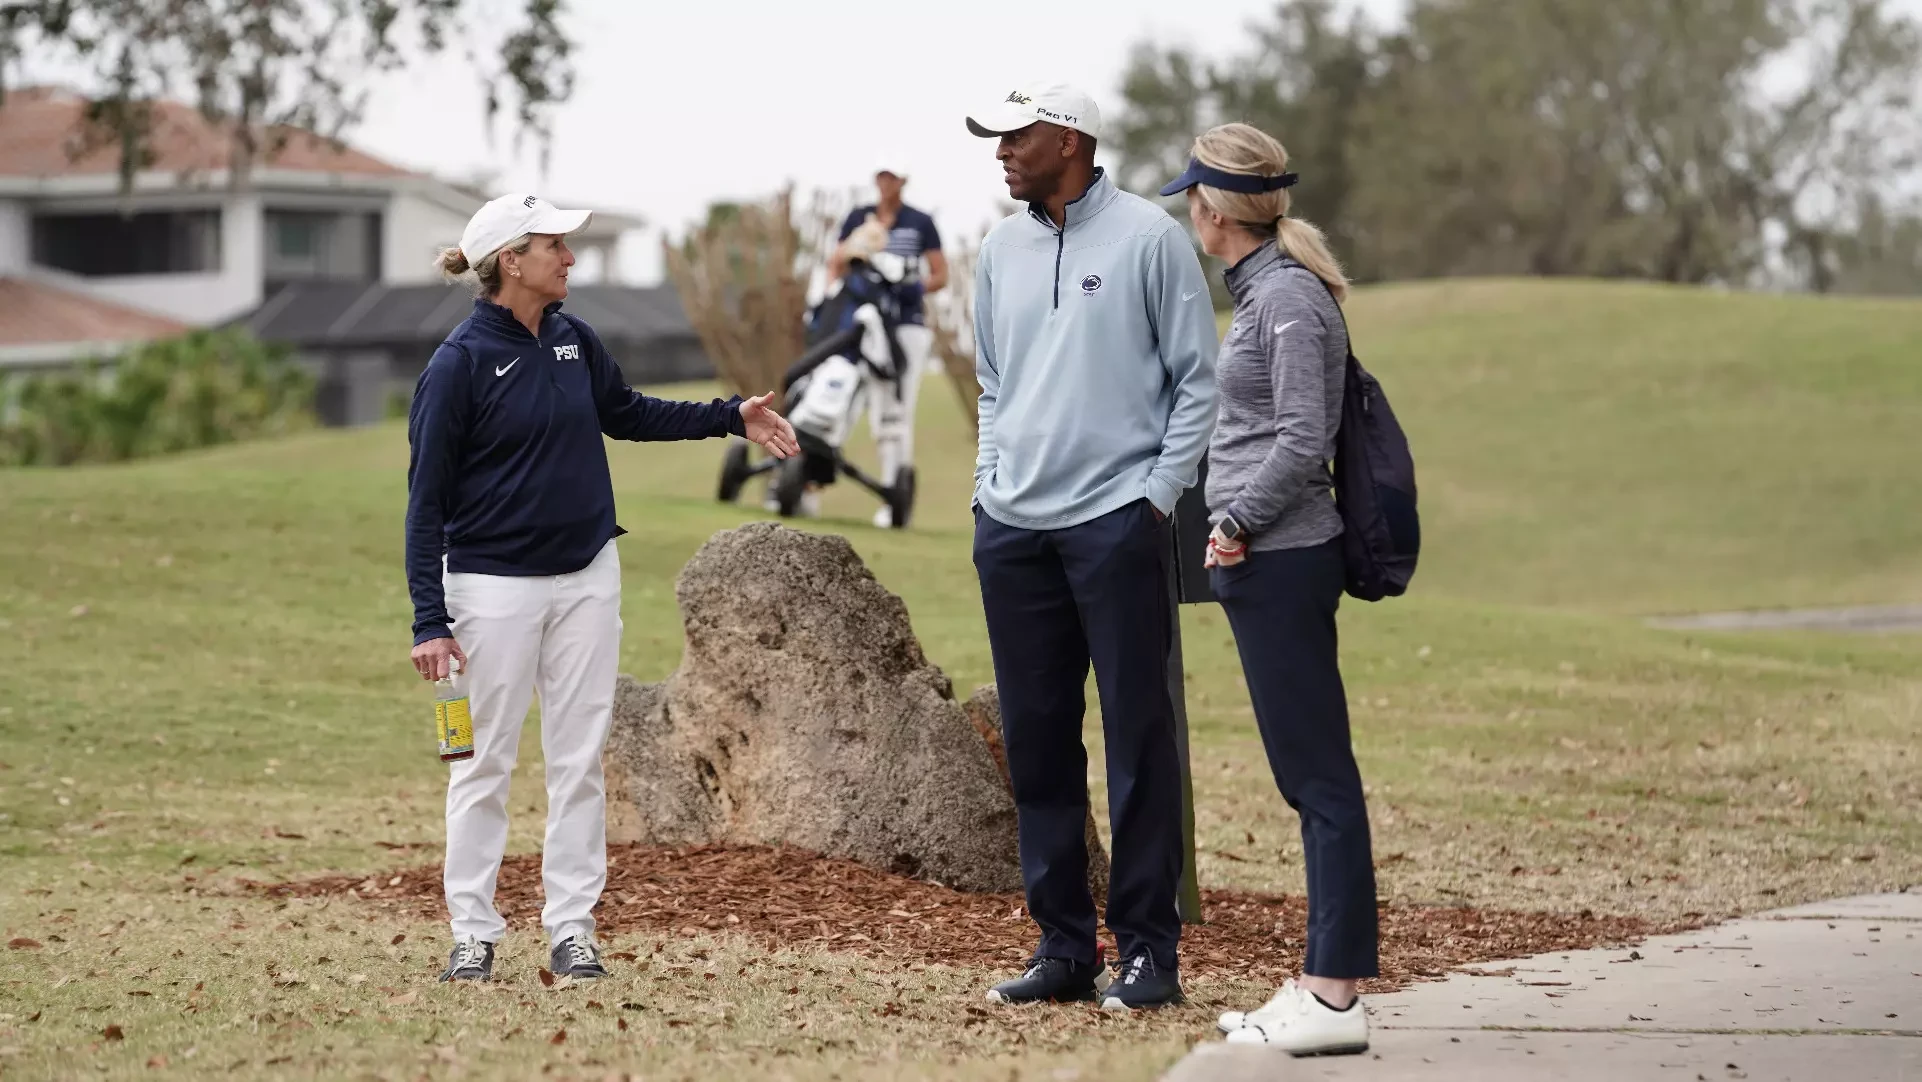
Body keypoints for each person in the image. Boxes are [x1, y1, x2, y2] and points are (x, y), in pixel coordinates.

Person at [405, 193, 799, 984]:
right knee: (481, 766)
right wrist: (429, 620)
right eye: (554, 245)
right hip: (490, 591)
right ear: (512, 261)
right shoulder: (458, 363)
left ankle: (572, 930)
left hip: (587, 577)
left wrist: (730, 417)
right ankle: (473, 933)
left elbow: (627, 413)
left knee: (579, 762)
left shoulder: (572, 339)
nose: (570, 258)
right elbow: (426, 502)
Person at [963, 84, 1219, 1012]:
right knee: (1038, 747)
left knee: (1138, 742)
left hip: (1117, 522)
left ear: (1068, 140)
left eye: (1016, 136)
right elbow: (993, 384)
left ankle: (1149, 951)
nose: (1001, 151)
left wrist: (1155, 499)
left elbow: (1198, 383)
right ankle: (1063, 948)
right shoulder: (999, 249)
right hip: (1015, 531)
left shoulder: (1150, 238)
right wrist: (986, 491)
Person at [1161, 124, 1377, 1055]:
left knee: (1317, 778)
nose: (1188, 211)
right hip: (1269, 560)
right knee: (1308, 776)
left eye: (1193, 198)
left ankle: (1332, 997)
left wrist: (1234, 522)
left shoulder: (1285, 297)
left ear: (1215, 211)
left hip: (1281, 559)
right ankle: (1327, 987)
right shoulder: (1266, 291)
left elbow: (1301, 436)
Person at [827, 157, 949, 527]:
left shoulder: (920, 221)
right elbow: (836, 262)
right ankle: (807, 485)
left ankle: (896, 499)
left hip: (905, 327)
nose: (885, 182)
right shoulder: (858, 217)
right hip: (861, 322)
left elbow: (940, 275)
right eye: (880, 176)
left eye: (891, 177)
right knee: (836, 398)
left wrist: (911, 287)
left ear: (902, 181)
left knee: (895, 413)